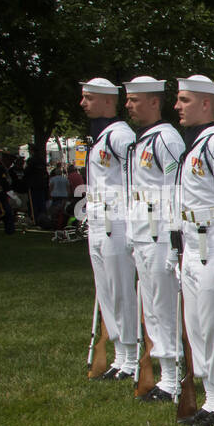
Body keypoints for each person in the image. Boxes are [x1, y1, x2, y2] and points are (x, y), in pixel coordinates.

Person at [172, 74, 214, 426]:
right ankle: (211, 394)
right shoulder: (195, 144)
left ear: (205, 103)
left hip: (213, 245)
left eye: (184, 100)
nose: (177, 106)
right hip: (192, 243)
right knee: (196, 323)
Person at [124, 76, 187, 402]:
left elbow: (176, 191)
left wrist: (173, 240)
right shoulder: (144, 139)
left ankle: (175, 377)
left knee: (165, 307)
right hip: (142, 234)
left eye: (134, 100)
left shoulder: (166, 139)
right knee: (150, 306)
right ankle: (165, 373)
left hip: (160, 234)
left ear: (153, 102)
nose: (128, 105)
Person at [79, 77, 139, 379]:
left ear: (106, 100)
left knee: (120, 289)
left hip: (116, 219)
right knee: (105, 289)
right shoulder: (100, 136)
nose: (82, 103)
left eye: (88, 97)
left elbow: (132, 179)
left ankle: (130, 353)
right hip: (98, 218)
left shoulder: (121, 135)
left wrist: (131, 224)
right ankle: (120, 352)